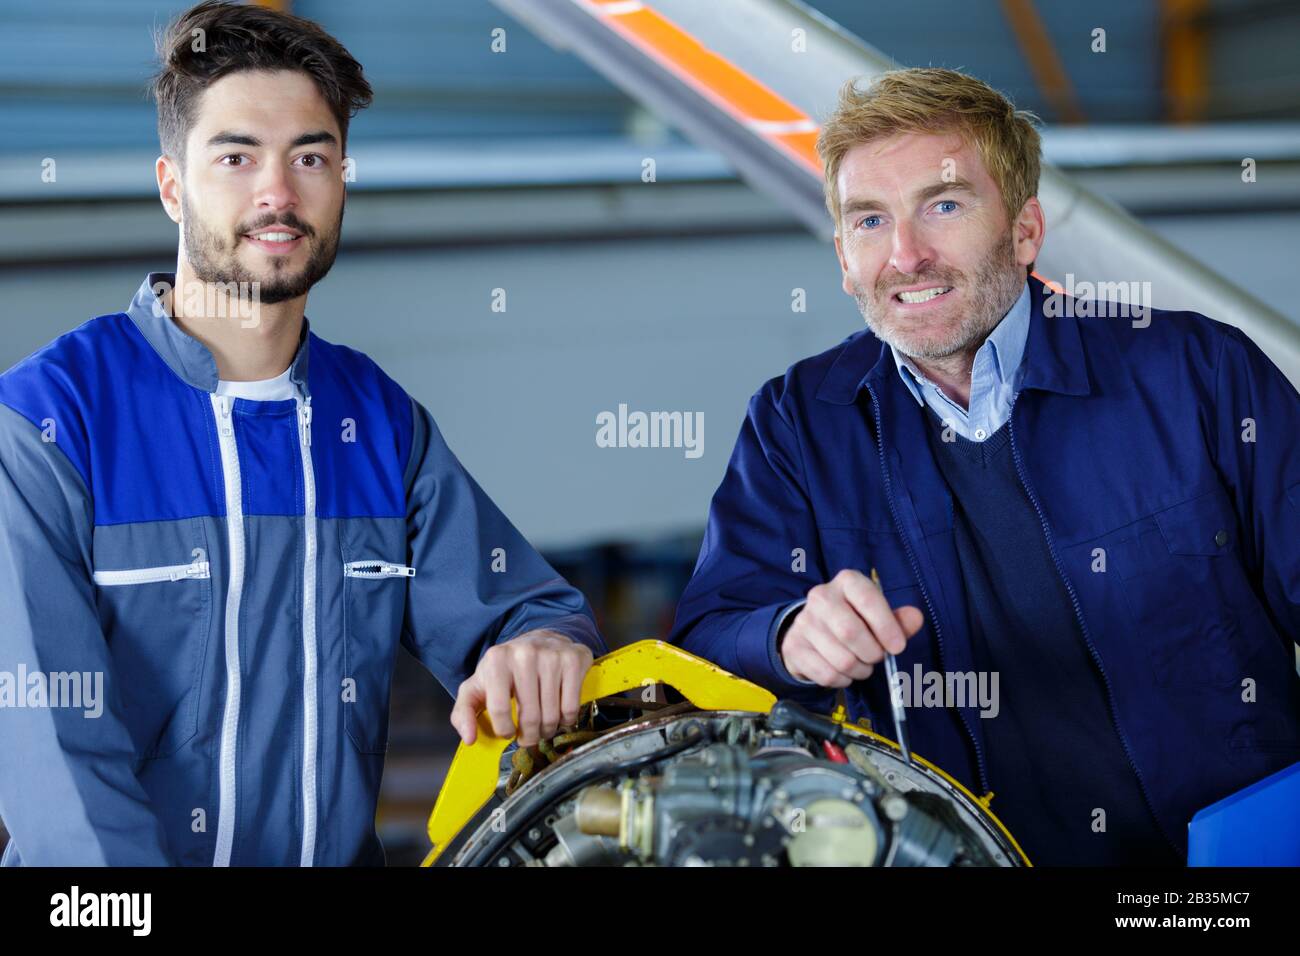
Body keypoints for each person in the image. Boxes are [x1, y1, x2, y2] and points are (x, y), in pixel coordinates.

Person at [0, 0, 603, 867]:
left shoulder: (379, 426)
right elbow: (65, 795)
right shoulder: (47, 425)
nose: (277, 194)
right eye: (237, 156)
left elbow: (522, 607)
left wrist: (539, 646)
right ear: (172, 184)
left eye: (309, 157)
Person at [669, 67, 1300, 865]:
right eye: (869, 220)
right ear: (841, 257)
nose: (906, 256)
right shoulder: (797, 423)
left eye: (944, 205)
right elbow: (707, 638)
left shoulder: (1196, 374)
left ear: (1025, 231)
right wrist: (788, 636)